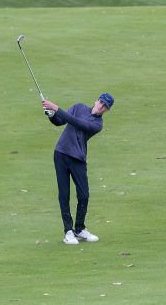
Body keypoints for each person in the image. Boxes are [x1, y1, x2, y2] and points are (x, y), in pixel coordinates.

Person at [42, 92, 114, 245]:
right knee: (64, 193)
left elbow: (77, 123)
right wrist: (51, 114)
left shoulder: (97, 125)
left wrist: (55, 107)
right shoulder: (79, 107)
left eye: (105, 106)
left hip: (78, 158)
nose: (101, 106)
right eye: (100, 102)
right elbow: (60, 121)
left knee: (84, 195)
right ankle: (68, 231)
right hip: (61, 153)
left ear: (106, 110)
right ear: (96, 100)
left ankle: (80, 229)